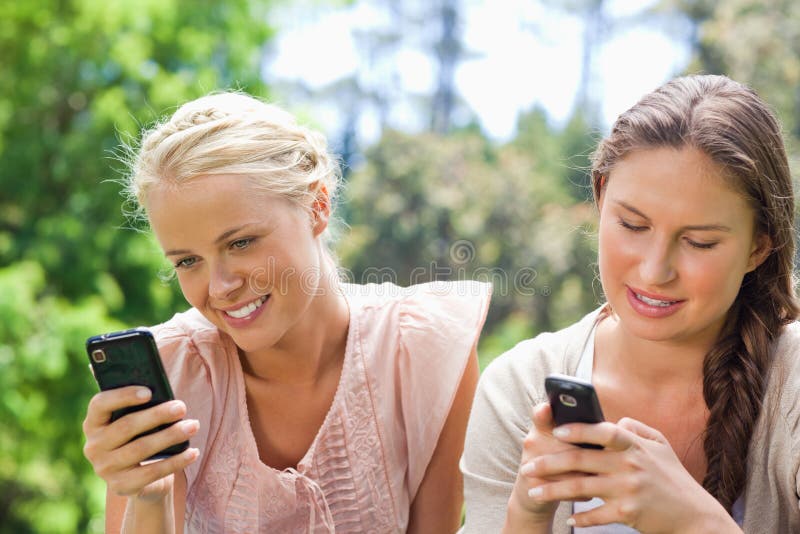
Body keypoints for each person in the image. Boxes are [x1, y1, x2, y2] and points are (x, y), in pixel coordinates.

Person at [81, 92, 491, 533]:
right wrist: (147, 495)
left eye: (240, 243)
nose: (220, 288)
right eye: (187, 261)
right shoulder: (173, 375)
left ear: (317, 206)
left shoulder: (424, 349)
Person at [460, 74, 800, 533]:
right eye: (633, 225)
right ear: (601, 197)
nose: (655, 270)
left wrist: (695, 522)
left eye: (699, 242)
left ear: (760, 247)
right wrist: (529, 514)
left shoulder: (791, 391)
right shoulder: (518, 389)